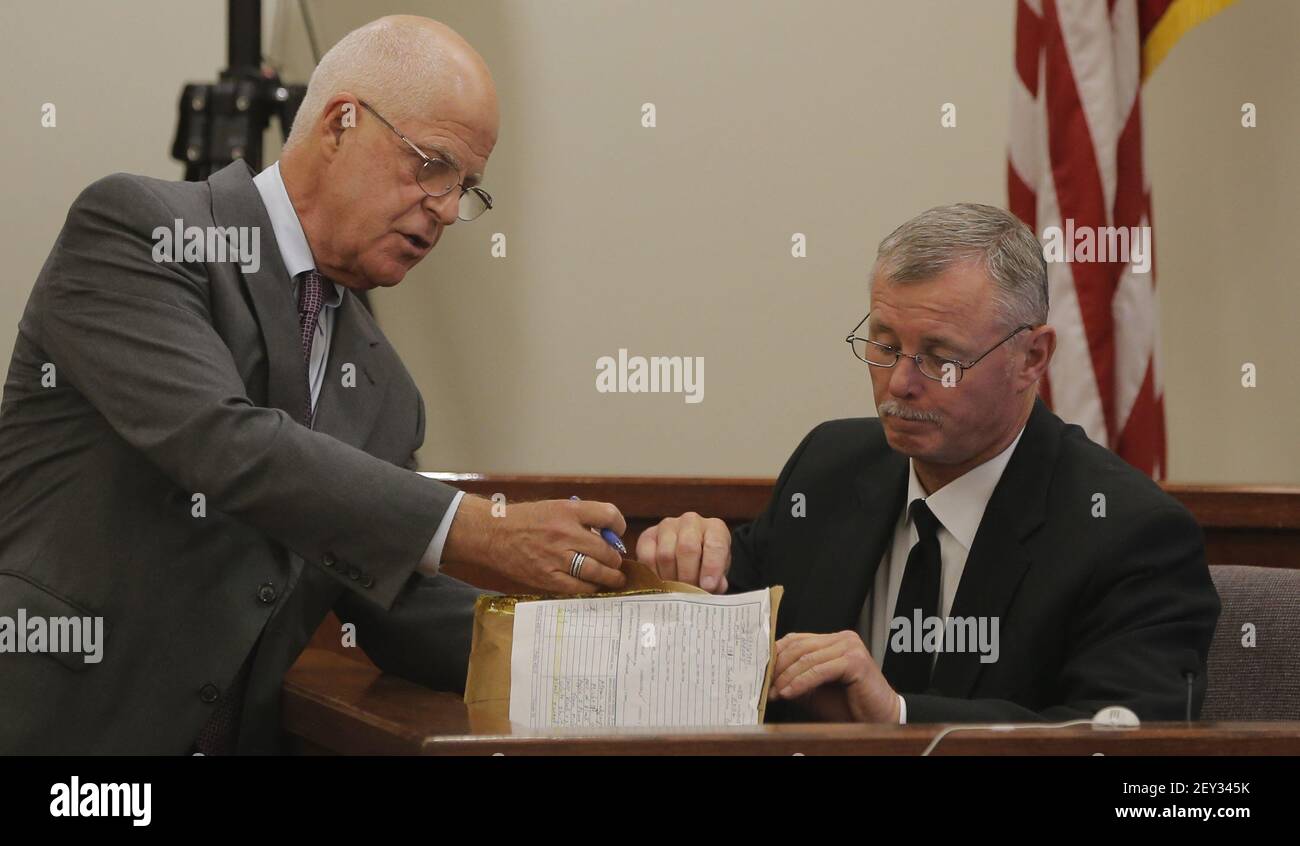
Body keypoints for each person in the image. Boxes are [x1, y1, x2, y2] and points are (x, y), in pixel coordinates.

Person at [0, 16, 627, 754]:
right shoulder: (143, 231)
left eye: (468, 189)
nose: (447, 209)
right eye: (433, 165)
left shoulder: (389, 392)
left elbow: (401, 595)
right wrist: (478, 528)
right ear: (340, 123)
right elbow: (224, 442)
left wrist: (619, 653)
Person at [637, 203, 1220, 723]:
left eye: (940, 358)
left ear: (1032, 357)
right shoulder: (830, 469)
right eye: (885, 346)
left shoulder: (1129, 534)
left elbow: (1121, 741)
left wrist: (898, 714)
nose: (899, 383)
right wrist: (689, 565)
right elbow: (730, 626)